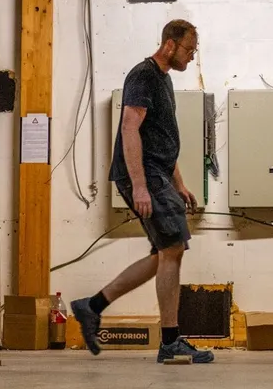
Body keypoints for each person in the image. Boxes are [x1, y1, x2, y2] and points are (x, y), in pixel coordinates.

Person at [70, 19, 212, 364]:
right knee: (174, 248)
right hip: (144, 176)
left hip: (158, 175)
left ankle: (92, 306)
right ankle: (170, 341)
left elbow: (160, 137)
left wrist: (178, 183)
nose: (192, 57)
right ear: (169, 45)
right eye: (189, 49)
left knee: (162, 254)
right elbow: (130, 128)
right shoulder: (143, 75)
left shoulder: (162, 80)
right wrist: (140, 186)